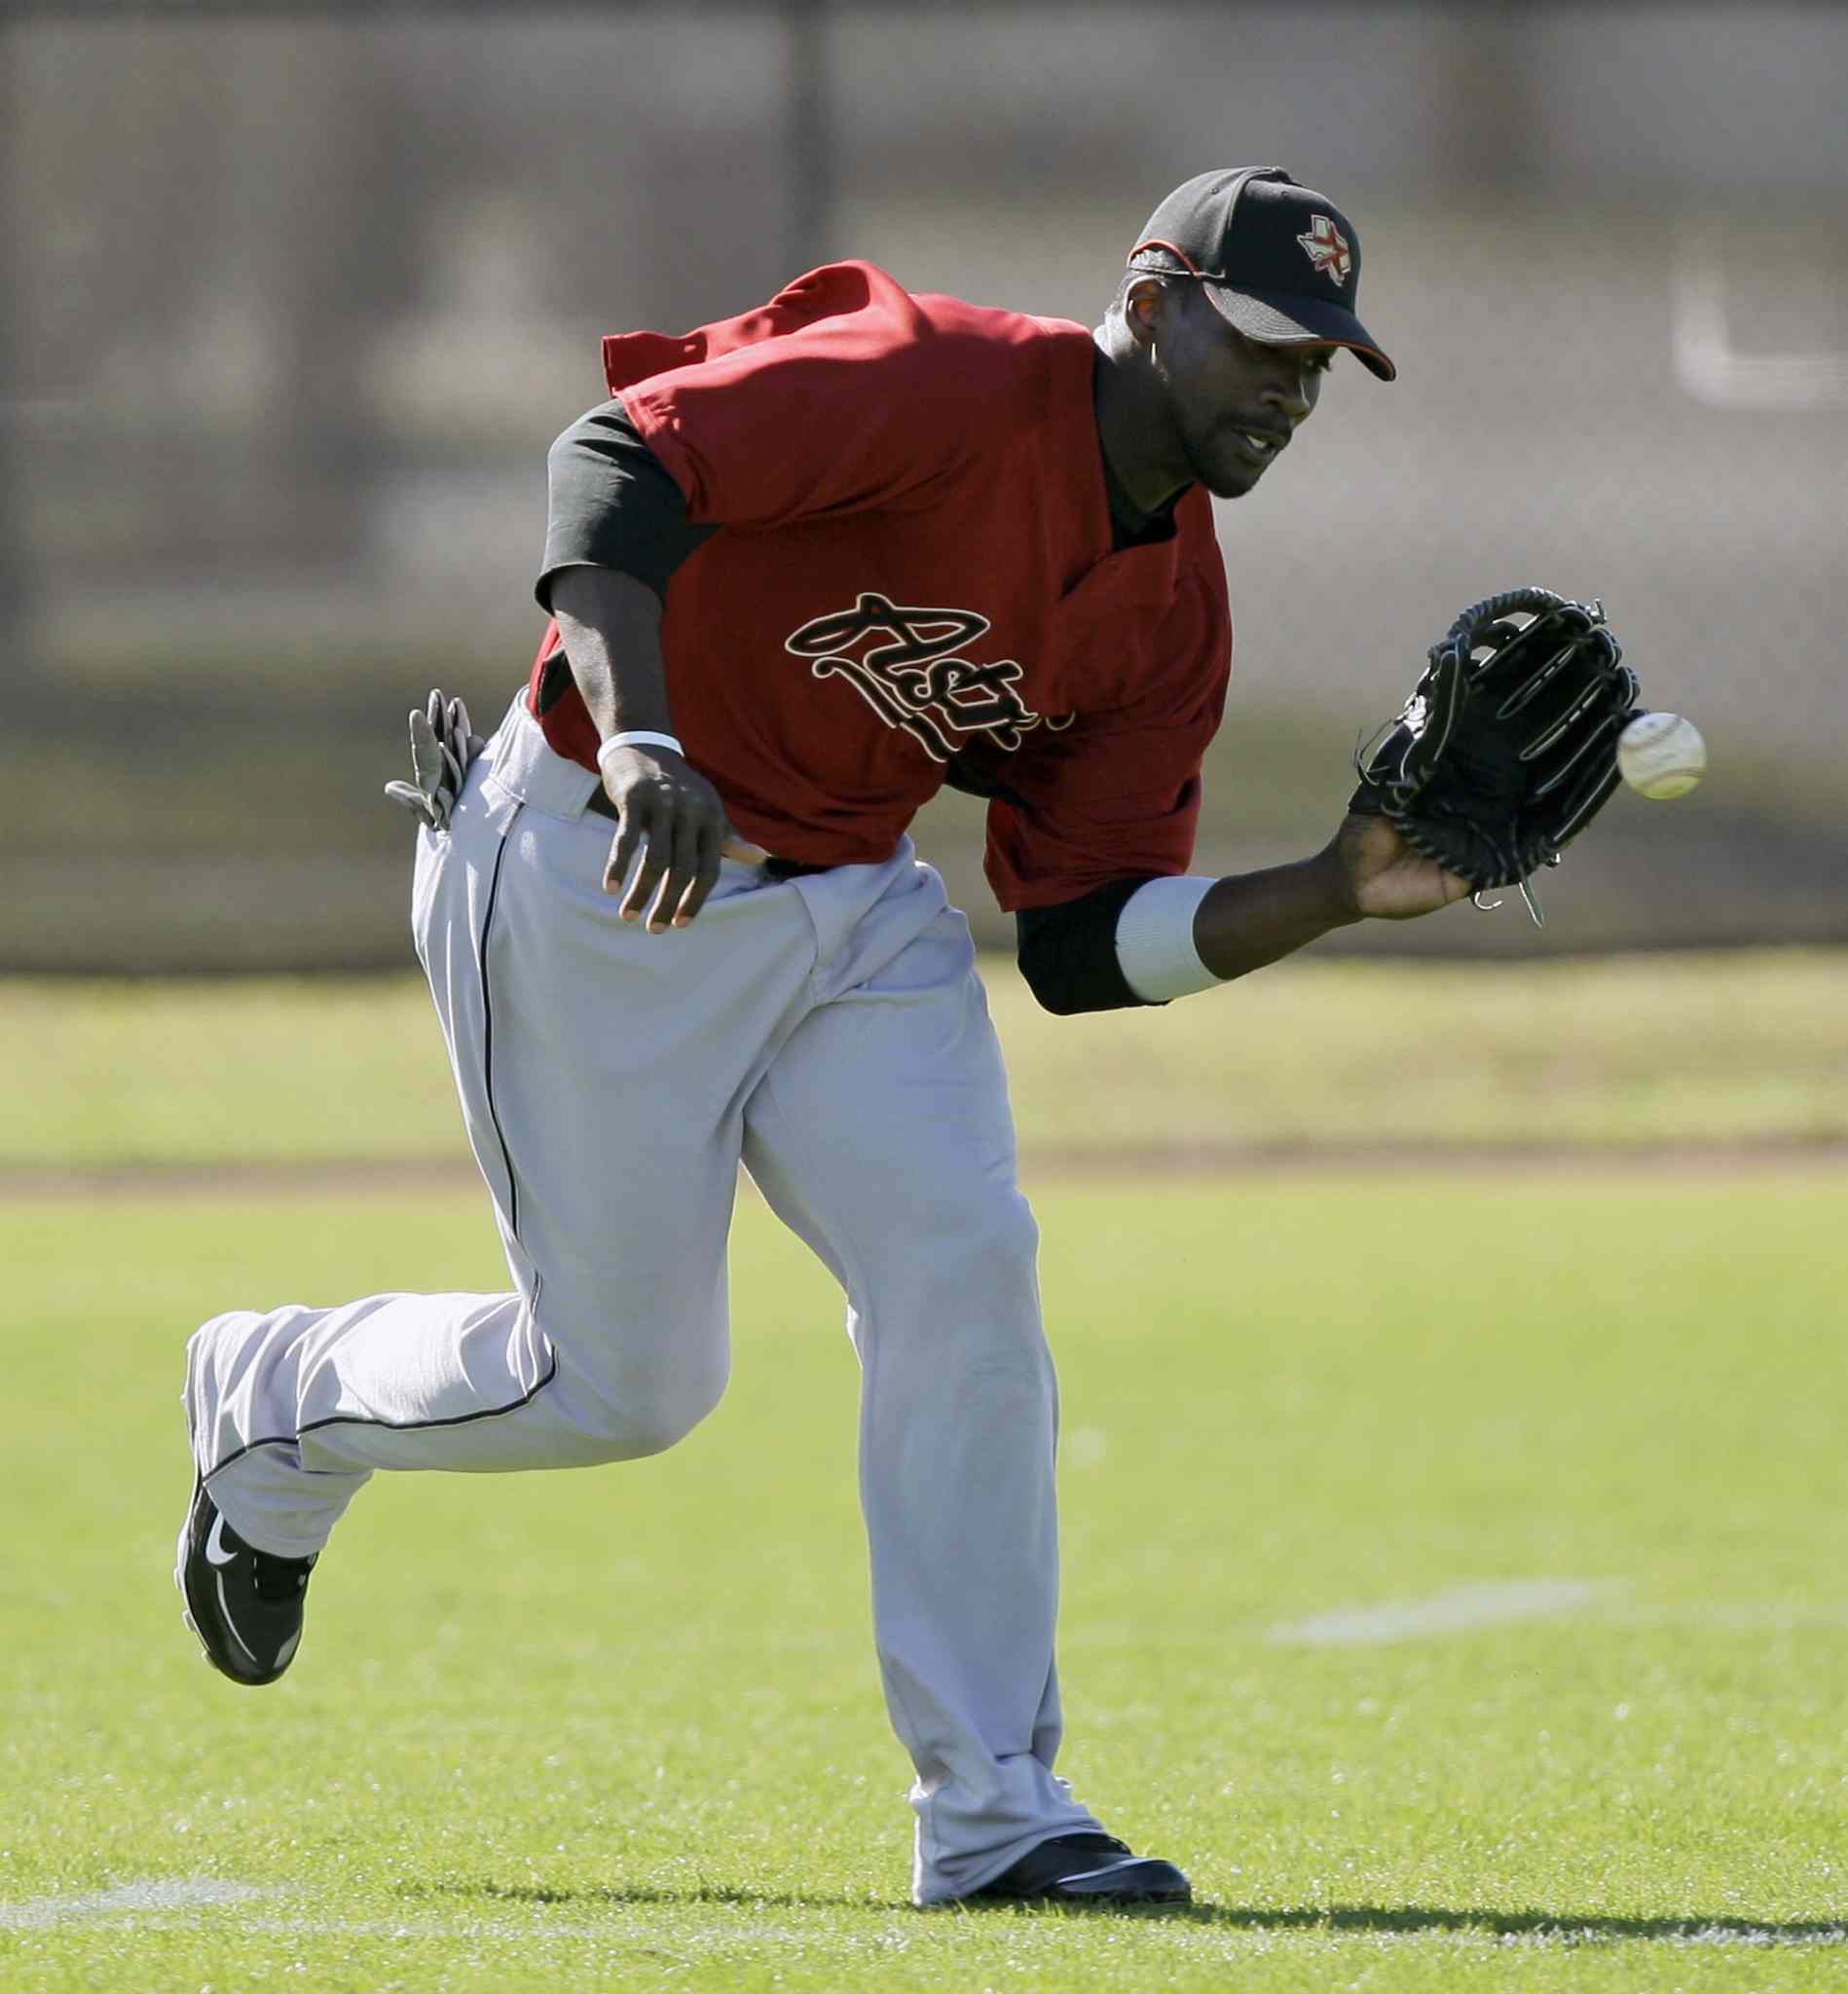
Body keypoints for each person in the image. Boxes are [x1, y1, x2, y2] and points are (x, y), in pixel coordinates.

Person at [175, 166, 1467, 1908]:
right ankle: (275, 1404)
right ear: (1148, 301)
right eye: (1258, 343)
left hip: (851, 905)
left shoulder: (1173, 614)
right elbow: (615, 456)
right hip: (593, 856)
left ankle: (1000, 1816)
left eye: (1317, 364)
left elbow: (1079, 947)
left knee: (965, 1273)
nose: (1286, 390)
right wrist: (642, 739)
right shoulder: (938, 379)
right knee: (624, 1388)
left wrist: (1328, 888)